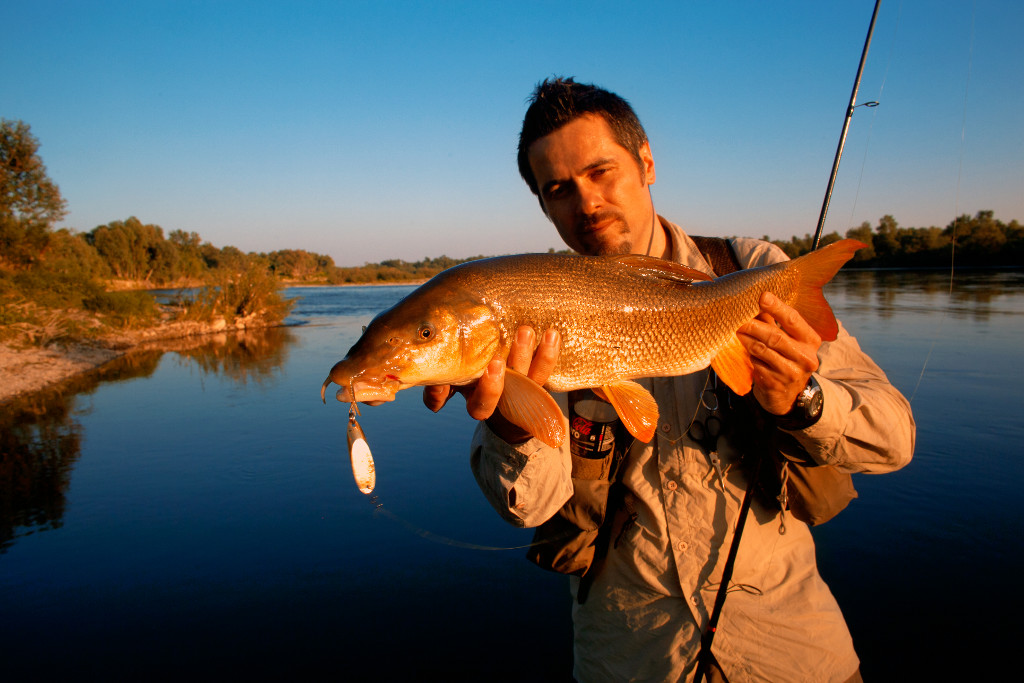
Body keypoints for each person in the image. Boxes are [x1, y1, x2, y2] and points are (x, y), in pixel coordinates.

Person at [423, 77, 914, 683]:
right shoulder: (531, 312)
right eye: (559, 189)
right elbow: (528, 509)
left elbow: (894, 439)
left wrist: (803, 399)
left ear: (647, 161)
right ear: (544, 205)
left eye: (602, 172)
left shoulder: (751, 271)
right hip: (630, 659)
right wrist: (510, 415)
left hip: (792, 653)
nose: (588, 203)